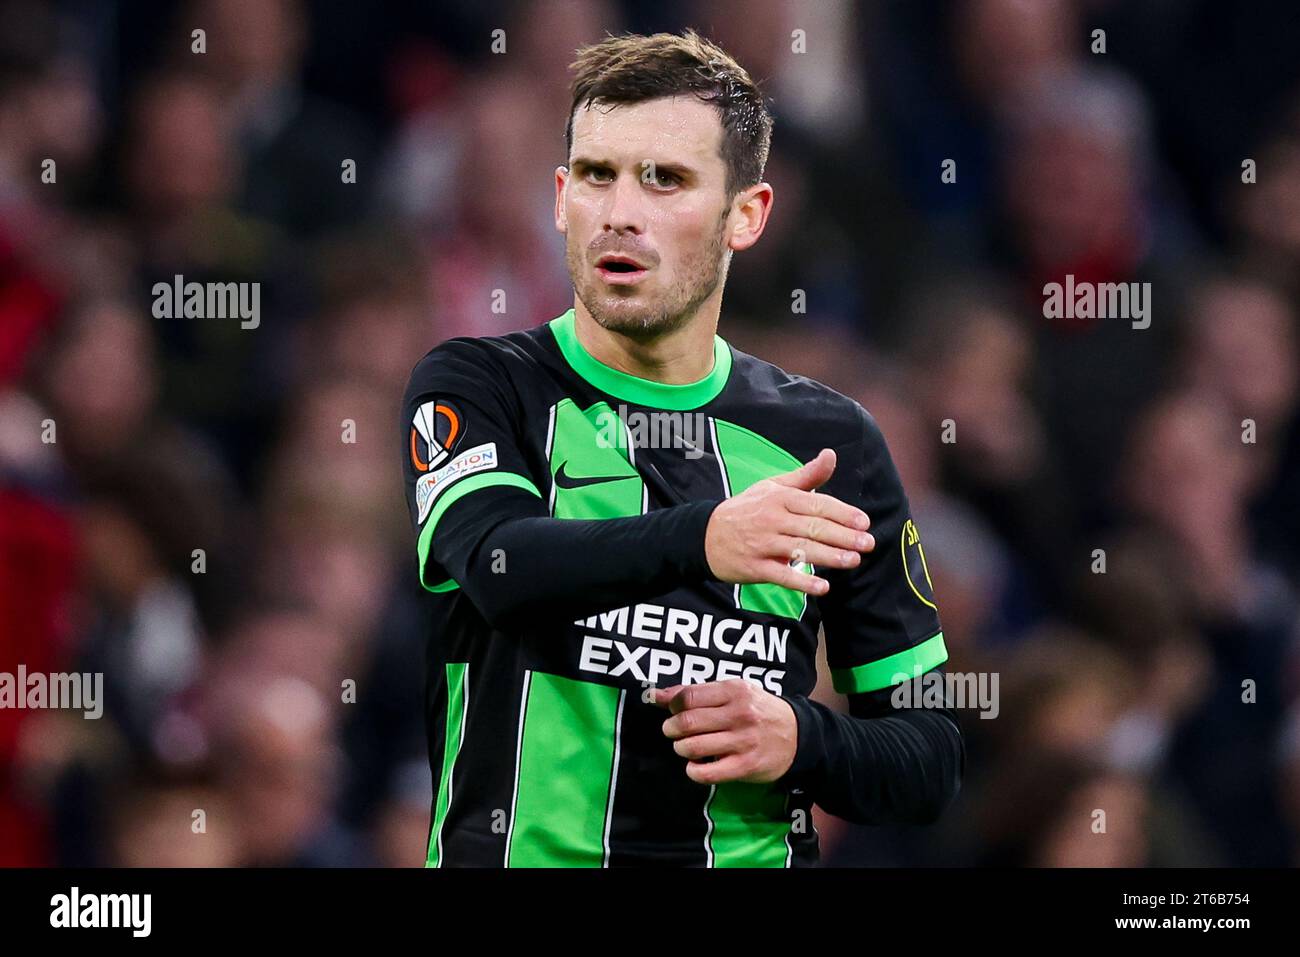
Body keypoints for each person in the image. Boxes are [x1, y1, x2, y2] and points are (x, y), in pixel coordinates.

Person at [399, 29, 963, 867]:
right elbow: (499, 566)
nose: (621, 211)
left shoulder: (832, 444)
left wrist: (803, 738)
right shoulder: (480, 384)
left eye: (664, 179)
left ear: (747, 215)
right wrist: (704, 539)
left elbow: (930, 756)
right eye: (597, 175)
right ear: (559, 199)